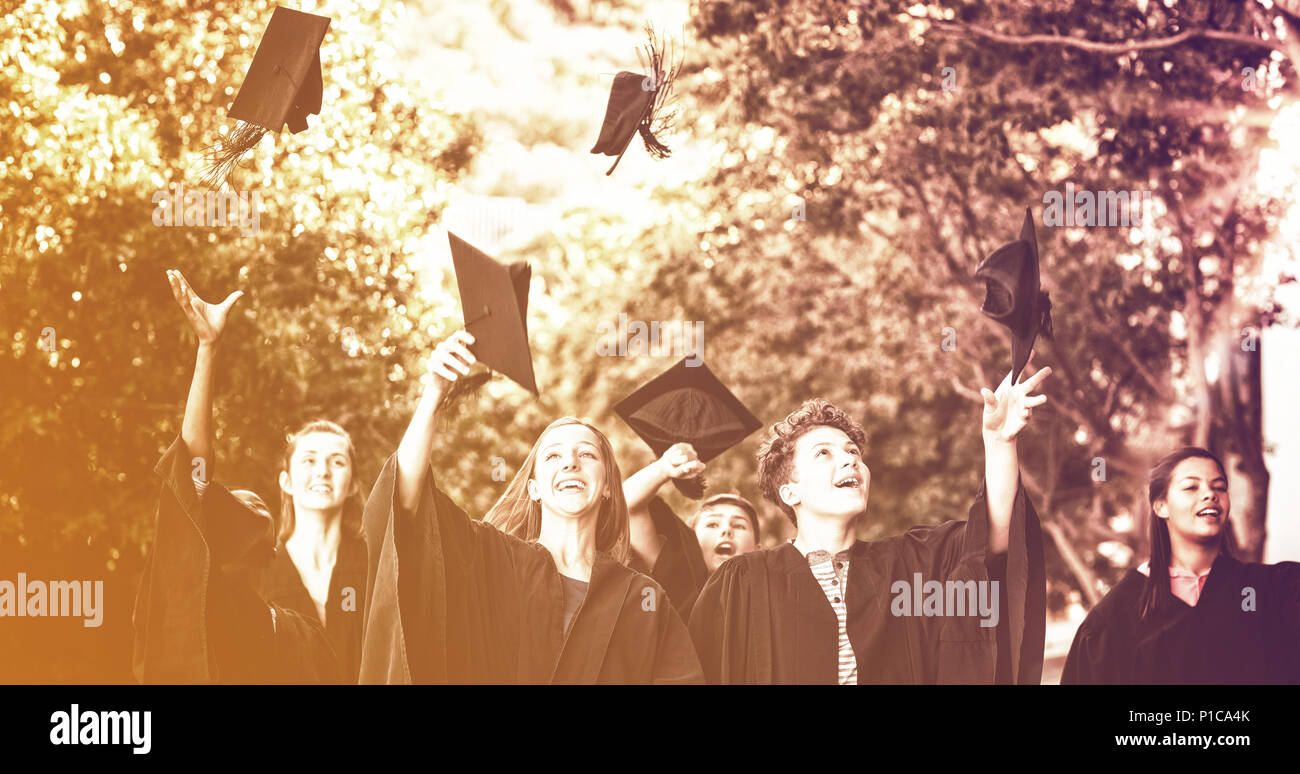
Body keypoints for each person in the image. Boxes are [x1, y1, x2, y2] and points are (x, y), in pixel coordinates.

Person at [358, 330, 704, 684]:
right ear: (535, 488)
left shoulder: (641, 598)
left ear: (608, 490)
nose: (570, 462)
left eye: (587, 454)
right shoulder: (487, 557)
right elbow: (406, 504)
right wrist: (434, 393)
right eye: (553, 456)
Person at [688, 364, 1052, 684]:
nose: (849, 461)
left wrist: (999, 442)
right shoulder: (743, 581)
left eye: (853, 453)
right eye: (823, 453)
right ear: (790, 492)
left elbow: (991, 539)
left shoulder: (909, 564)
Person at [133, 270, 341, 683]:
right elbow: (193, 466)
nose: (252, 501)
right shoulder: (192, 600)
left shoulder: (302, 634)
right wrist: (208, 348)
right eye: (234, 502)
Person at [1061, 447, 1300, 684]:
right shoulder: (1114, 619)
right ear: (1161, 506)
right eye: (1191, 487)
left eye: (1219, 487)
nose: (1210, 494)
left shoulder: (1273, 591)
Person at [265, 419, 367, 681]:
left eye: (337, 462)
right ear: (285, 481)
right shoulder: (260, 572)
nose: (323, 471)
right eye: (309, 460)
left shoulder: (375, 568)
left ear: (353, 485)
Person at [622, 443, 760, 616]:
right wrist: (664, 468)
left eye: (739, 525)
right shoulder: (676, 579)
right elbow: (626, 507)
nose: (726, 531)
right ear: (692, 539)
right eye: (712, 524)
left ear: (758, 549)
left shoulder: (769, 599)